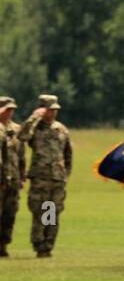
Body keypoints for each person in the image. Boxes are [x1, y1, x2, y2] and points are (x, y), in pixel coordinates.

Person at [18, 94, 72, 258]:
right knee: (40, 211)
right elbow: (22, 136)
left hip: (57, 179)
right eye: (50, 110)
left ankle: (48, 245)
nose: (53, 113)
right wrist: (33, 118)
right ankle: (39, 244)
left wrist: (65, 174)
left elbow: (68, 153)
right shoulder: (35, 128)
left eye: (55, 110)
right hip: (40, 178)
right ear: (42, 110)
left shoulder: (61, 129)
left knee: (53, 212)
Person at [0, 97, 22, 258]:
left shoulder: (16, 129)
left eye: (12, 109)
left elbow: (20, 156)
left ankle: (3, 246)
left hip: (13, 179)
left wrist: (21, 176)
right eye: (7, 109)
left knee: (10, 213)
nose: (10, 112)